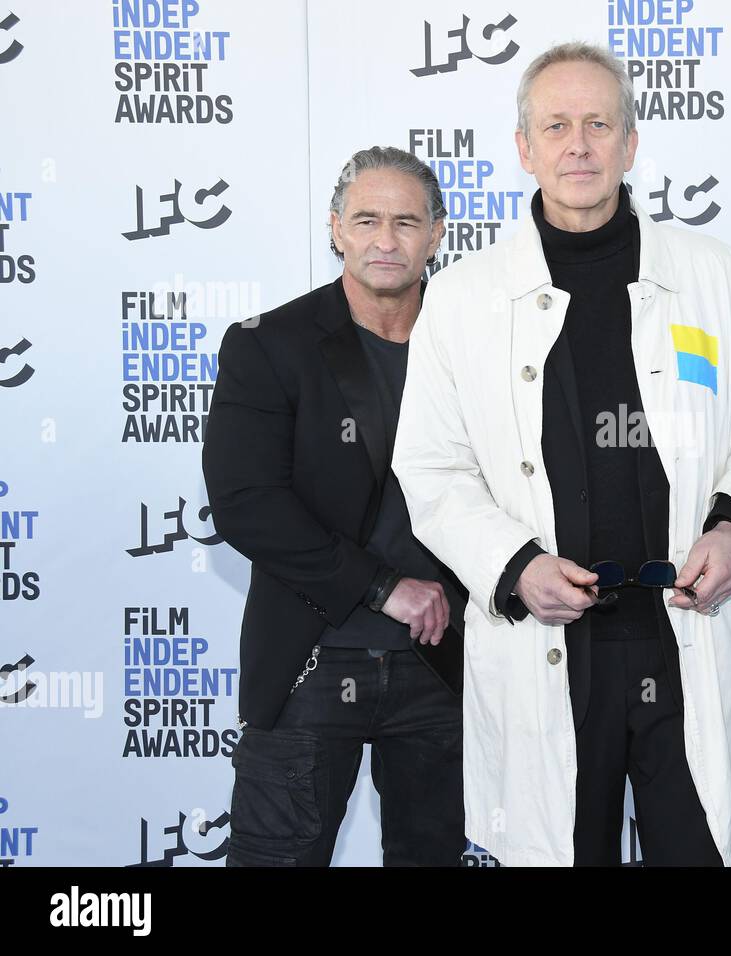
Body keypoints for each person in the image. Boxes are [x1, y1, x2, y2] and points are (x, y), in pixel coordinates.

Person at [391, 42, 731, 867]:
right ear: (524, 148)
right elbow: (431, 468)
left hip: (685, 629)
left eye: (597, 123)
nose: (577, 145)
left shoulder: (714, 277)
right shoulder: (463, 297)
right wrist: (514, 566)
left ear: (630, 142)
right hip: (548, 639)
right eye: (555, 126)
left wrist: (730, 529)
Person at [203, 146, 467, 866]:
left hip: (446, 669)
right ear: (335, 229)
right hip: (311, 662)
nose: (387, 240)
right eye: (368, 220)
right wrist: (383, 588)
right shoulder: (270, 345)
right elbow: (244, 504)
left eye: (407, 221)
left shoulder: (479, 341)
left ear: (438, 233)